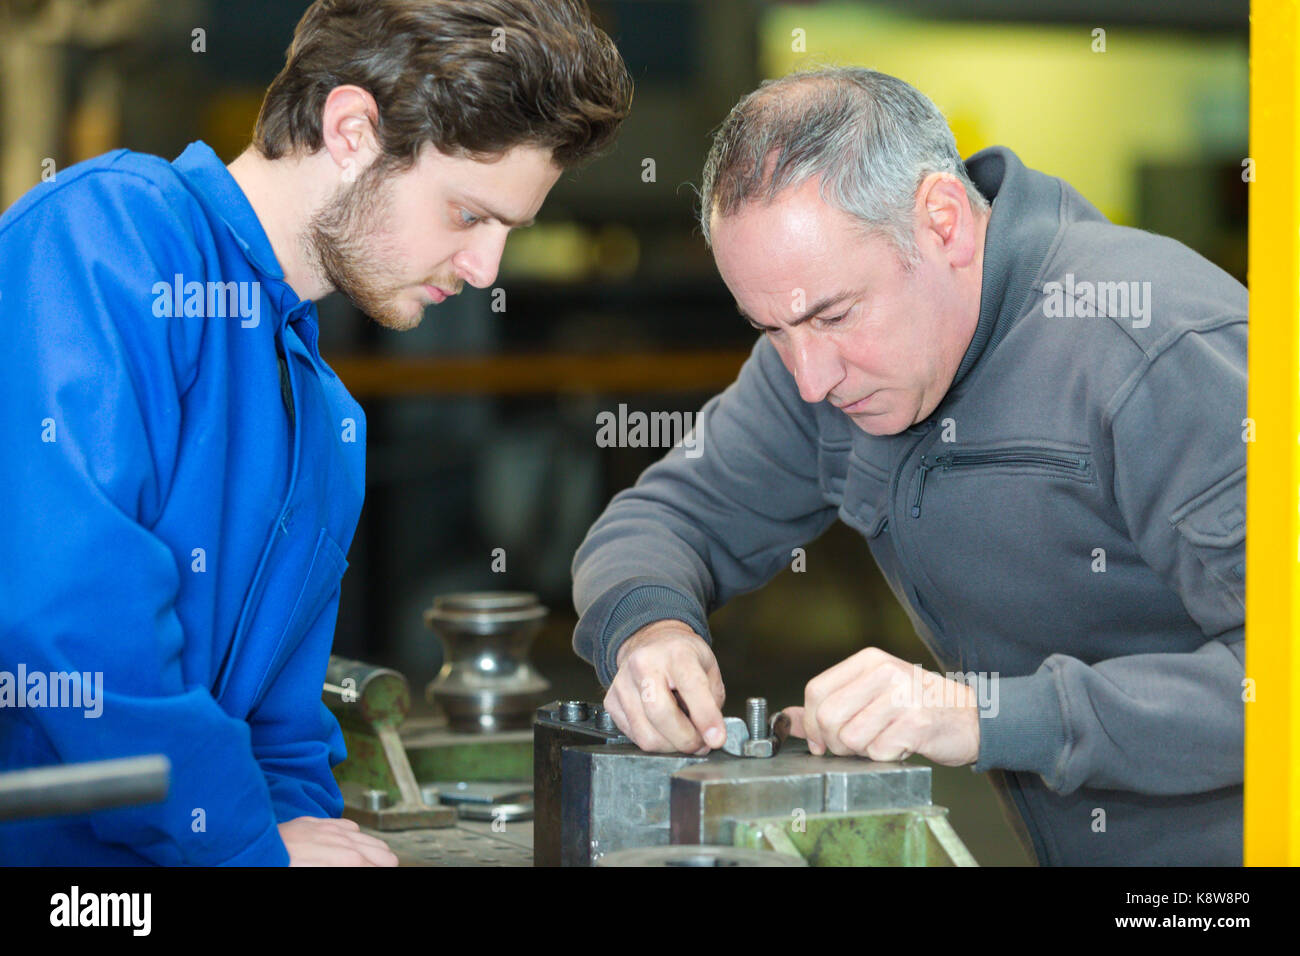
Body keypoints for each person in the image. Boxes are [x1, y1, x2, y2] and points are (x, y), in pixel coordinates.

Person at [0, 0, 630, 865]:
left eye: (507, 232)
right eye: (468, 215)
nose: (486, 271)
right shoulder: (109, 240)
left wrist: (309, 840)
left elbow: (284, 730)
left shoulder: (327, 423)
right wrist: (246, 841)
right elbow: (72, 617)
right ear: (350, 131)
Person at [571, 67, 1245, 866]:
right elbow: (662, 519)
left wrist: (984, 716)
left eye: (834, 315)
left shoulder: (1157, 352)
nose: (810, 377)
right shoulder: (818, 363)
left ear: (944, 222)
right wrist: (650, 630)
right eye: (772, 329)